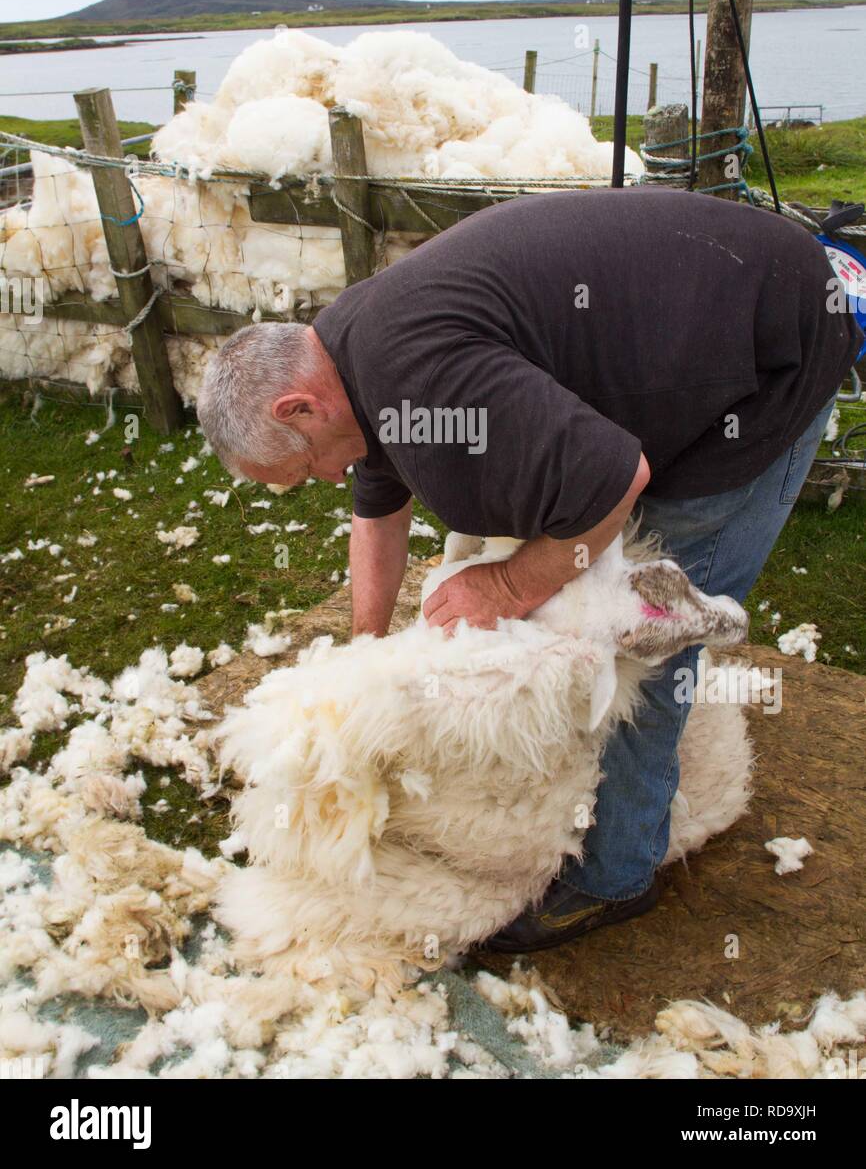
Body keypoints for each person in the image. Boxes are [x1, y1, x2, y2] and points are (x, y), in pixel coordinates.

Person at [197, 186, 862, 953]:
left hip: (770, 349)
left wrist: (508, 586)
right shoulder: (347, 352)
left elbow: (615, 481)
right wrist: (365, 654)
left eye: (302, 466)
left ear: (297, 409)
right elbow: (375, 503)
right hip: (717, 294)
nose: (316, 478)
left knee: (649, 631)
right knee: (594, 557)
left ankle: (614, 878)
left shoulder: (423, 384)